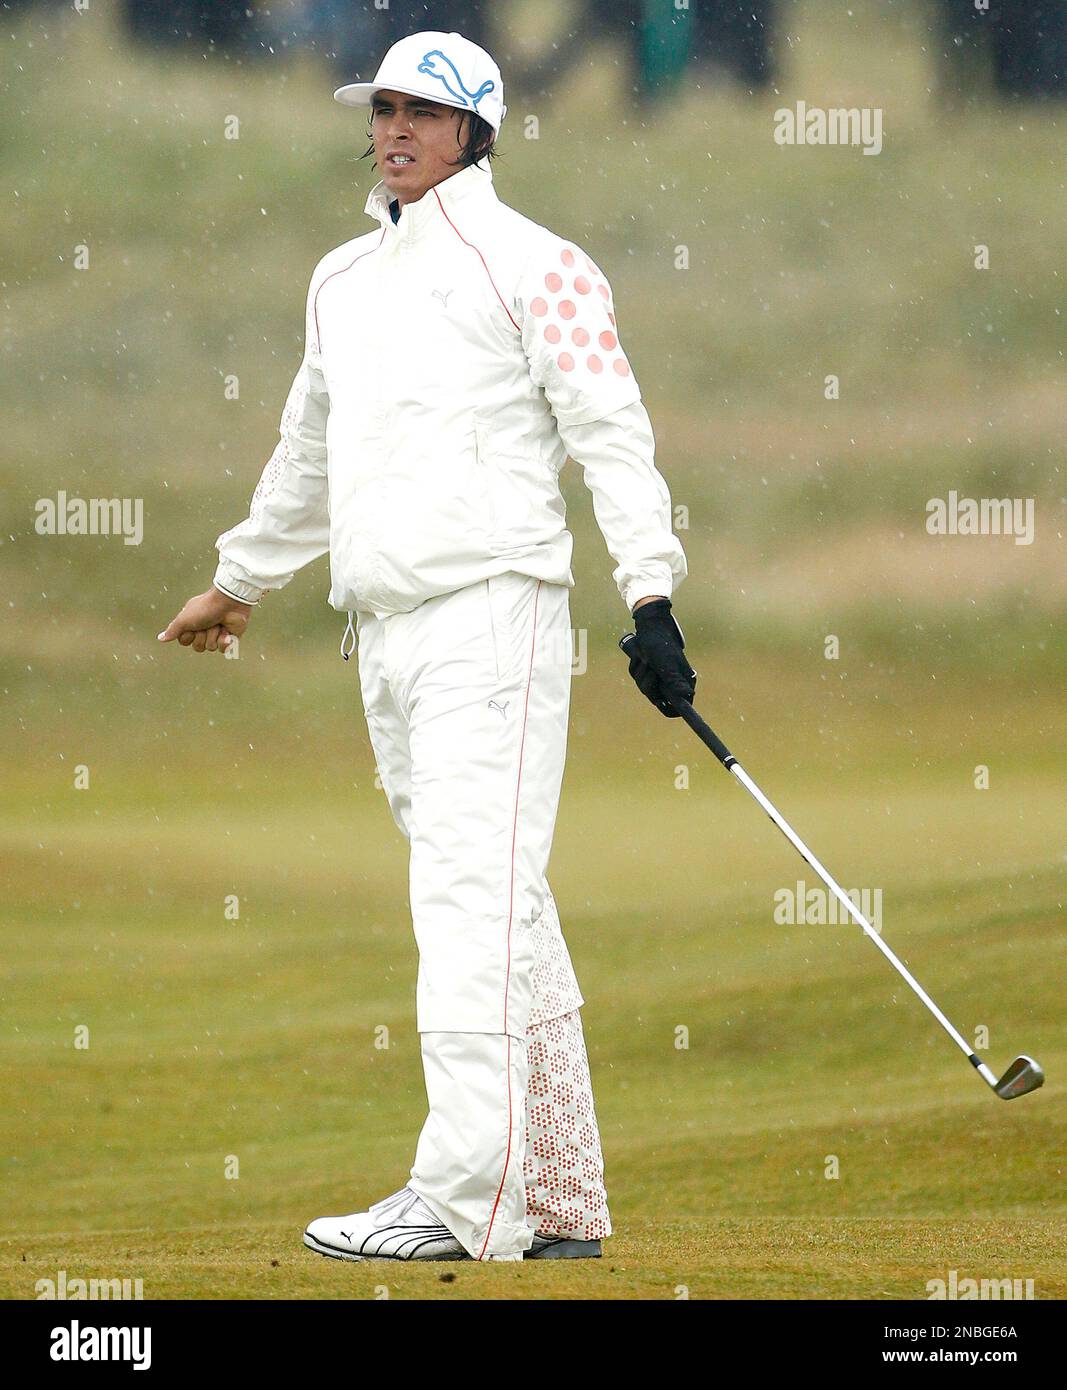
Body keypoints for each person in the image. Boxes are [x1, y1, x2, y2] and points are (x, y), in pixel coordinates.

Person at [157, 29, 695, 1263]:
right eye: (384, 109)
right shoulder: (342, 279)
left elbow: (613, 434)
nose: (396, 130)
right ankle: (558, 1196)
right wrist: (238, 580)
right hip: (384, 637)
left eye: (423, 113)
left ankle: (467, 1201)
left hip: (492, 619)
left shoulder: (538, 265)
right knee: (503, 910)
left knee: (466, 906)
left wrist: (651, 599)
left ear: (475, 131)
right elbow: (308, 448)